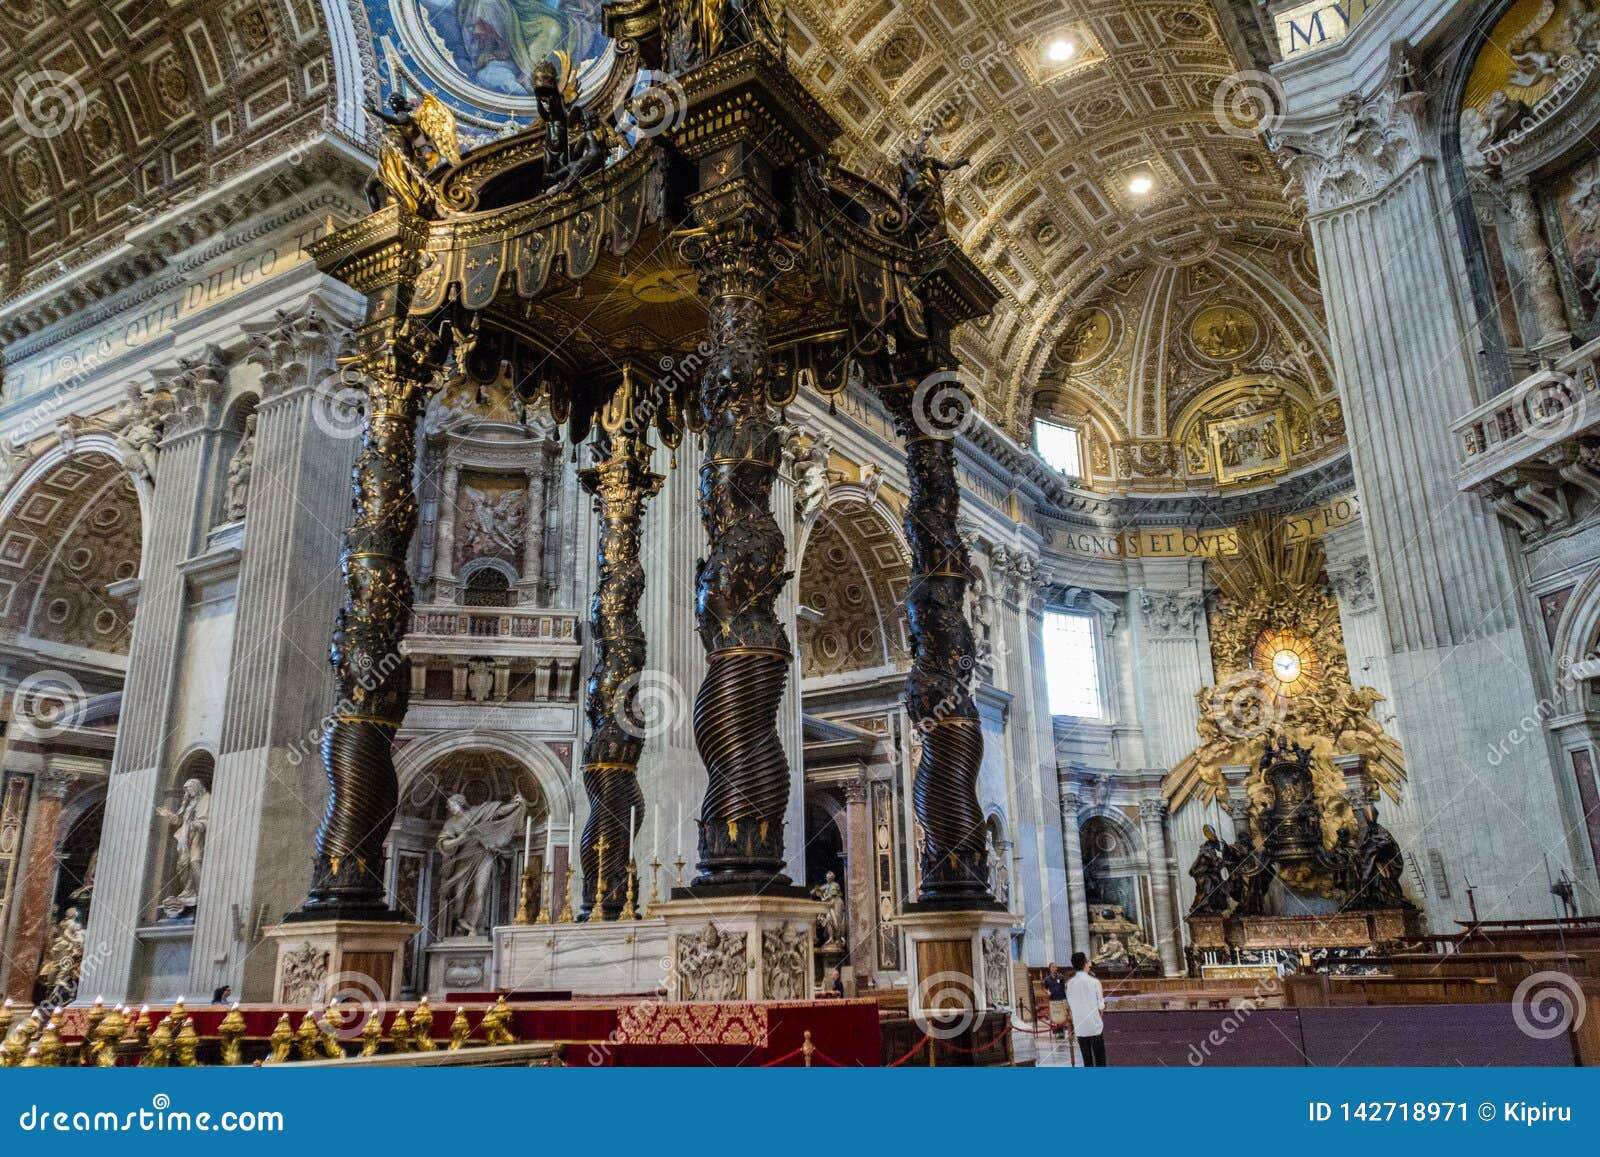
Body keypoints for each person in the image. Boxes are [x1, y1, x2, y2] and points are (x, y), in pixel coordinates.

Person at [1067, 951, 1107, 1067]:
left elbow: (1070, 1005)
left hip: (1080, 1027)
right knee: (1100, 1061)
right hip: (1095, 1026)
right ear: (1085, 964)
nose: (1089, 964)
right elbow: (1101, 1006)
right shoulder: (1094, 982)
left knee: (1087, 1061)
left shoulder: (1069, 984)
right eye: (1088, 962)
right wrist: (1099, 1019)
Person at [1043, 963, 1068, 1039]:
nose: (1054, 968)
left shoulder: (1061, 977)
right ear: (1050, 968)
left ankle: (1062, 1031)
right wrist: (1047, 992)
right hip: (1053, 999)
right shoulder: (1047, 979)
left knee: (1062, 1016)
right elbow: (1045, 988)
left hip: (1061, 998)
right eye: (1053, 967)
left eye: (1055, 967)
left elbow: (1065, 987)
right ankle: (1057, 1031)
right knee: (1055, 1015)